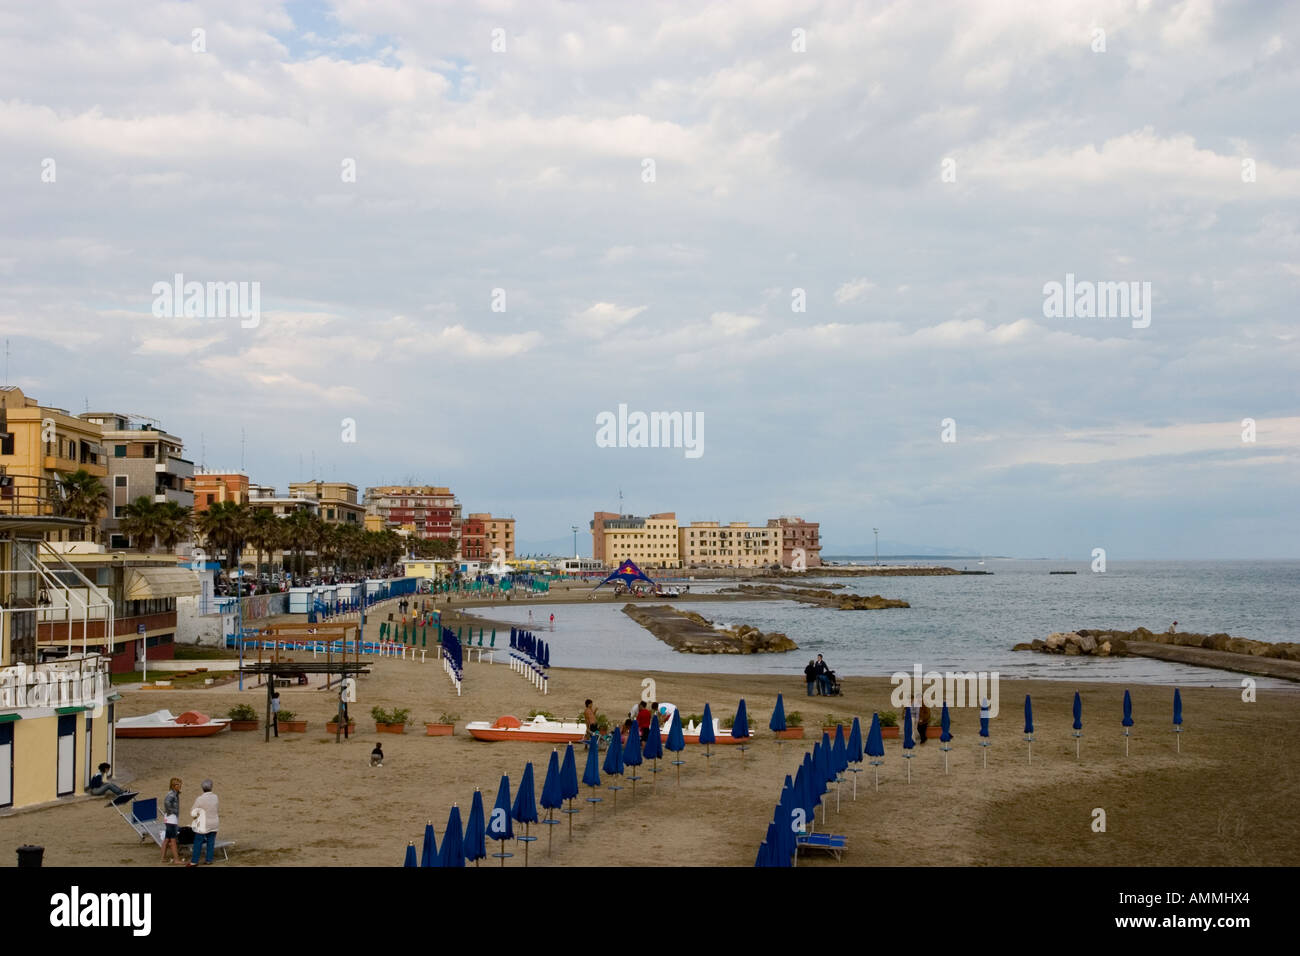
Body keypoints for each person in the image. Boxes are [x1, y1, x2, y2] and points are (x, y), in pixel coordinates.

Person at [188, 779, 219, 866]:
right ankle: (209, 859)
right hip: (214, 822)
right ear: (211, 787)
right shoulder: (215, 797)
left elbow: (193, 812)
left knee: (198, 842)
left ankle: (194, 861)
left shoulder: (200, 799)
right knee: (211, 841)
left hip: (204, 824)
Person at [161, 778, 182, 864]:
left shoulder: (175, 793)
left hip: (169, 818)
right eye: (178, 784)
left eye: (180, 784)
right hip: (171, 819)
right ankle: (176, 859)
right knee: (173, 840)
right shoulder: (171, 794)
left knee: (167, 839)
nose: (180, 786)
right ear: (173, 786)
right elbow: (166, 803)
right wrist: (172, 812)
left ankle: (162, 858)